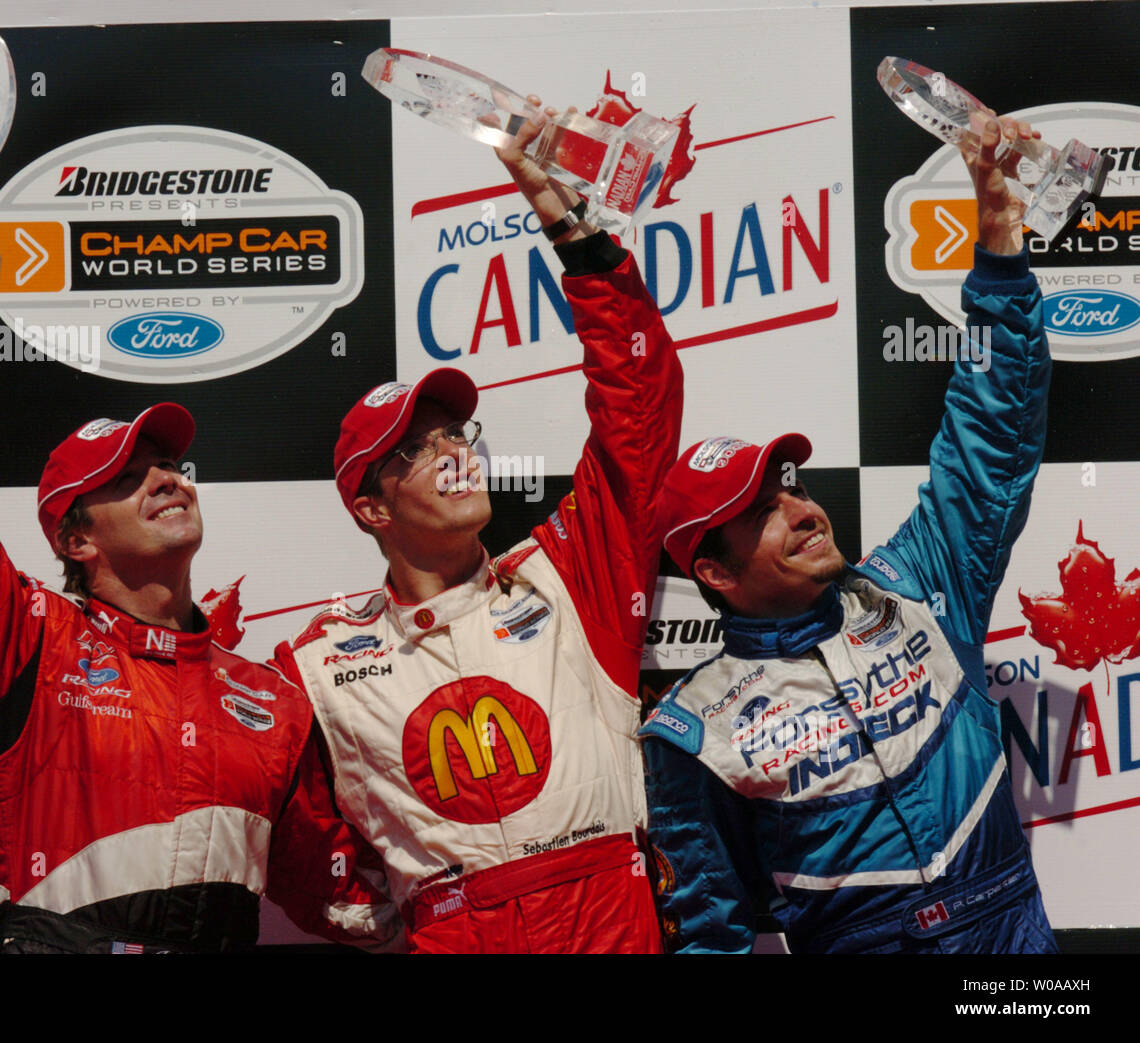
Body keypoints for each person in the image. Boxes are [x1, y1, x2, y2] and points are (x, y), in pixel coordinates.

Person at [0, 234, 394, 953]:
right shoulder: (27, 637)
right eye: (126, 476)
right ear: (76, 540)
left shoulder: (272, 700)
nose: (168, 479)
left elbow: (335, 893)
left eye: (172, 464)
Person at [640, 114, 1058, 954]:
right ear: (715, 574)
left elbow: (991, 429)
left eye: (789, 488)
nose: (800, 510)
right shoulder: (692, 726)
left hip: (1011, 935)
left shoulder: (917, 583)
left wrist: (1001, 245)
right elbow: (710, 928)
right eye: (759, 514)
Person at [272, 103, 684, 953]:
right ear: (372, 510)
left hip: (608, 909)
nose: (455, 454)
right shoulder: (313, 662)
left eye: (456, 434)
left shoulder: (572, 574)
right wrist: (400, 920)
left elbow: (638, 411)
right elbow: (300, 842)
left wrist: (579, 241)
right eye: (417, 452)